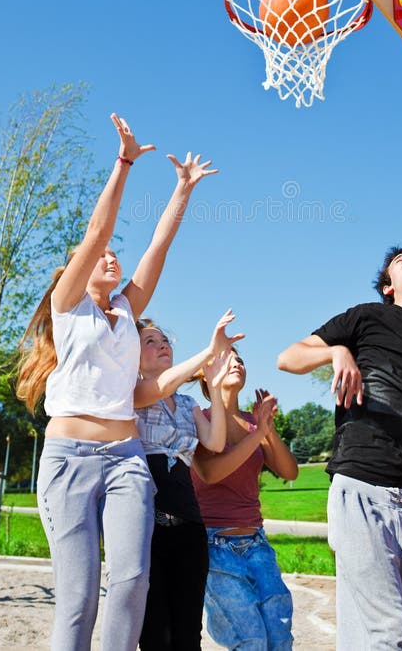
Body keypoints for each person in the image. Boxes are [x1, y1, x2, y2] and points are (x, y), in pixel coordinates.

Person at [16, 113, 218, 651]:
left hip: (127, 457)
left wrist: (182, 189)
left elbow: (157, 249)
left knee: (131, 585)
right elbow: (98, 231)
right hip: (68, 458)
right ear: (75, 273)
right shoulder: (67, 307)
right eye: (99, 257)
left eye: (112, 257)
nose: (111, 255)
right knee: (79, 598)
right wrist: (124, 161)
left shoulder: (129, 311)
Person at [277, 247, 402, 651]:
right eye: (400, 258)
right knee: (385, 634)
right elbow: (289, 358)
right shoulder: (367, 317)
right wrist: (336, 350)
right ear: (388, 286)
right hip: (360, 485)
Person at [135, 314, 242, 650]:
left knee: (187, 633)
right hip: (145, 525)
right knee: (155, 632)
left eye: (163, 339)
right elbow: (159, 387)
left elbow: (214, 442)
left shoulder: (187, 402)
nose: (161, 344)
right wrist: (209, 350)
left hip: (188, 524)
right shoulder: (129, 393)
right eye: (149, 341)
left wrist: (216, 388)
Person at [192, 348, 298, 651]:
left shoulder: (256, 421)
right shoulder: (200, 418)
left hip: (257, 544)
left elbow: (289, 471)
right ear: (206, 373)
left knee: (279, 639)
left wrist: (268, 430)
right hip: (215, 545)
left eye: (240, 359)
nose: (237, 362)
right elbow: (210, 472)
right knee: (250, 641)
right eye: (228, 359)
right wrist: (257, 434)